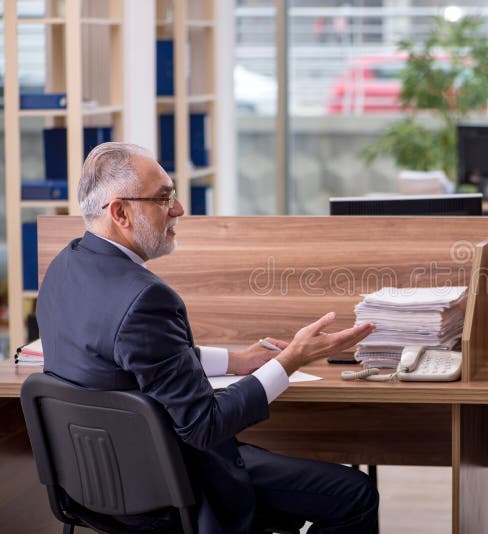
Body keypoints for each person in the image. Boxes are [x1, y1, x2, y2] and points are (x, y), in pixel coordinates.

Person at [37, 142, 379, 534]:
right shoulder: (145, 298)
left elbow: (138, 358)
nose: (179, 209)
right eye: (163, 198)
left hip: (97, 484)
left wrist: (236, 361)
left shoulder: (65, 266)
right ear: (120, 213)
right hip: (180, 487)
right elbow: (204, 426)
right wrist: (290, 361)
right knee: (356, 495)